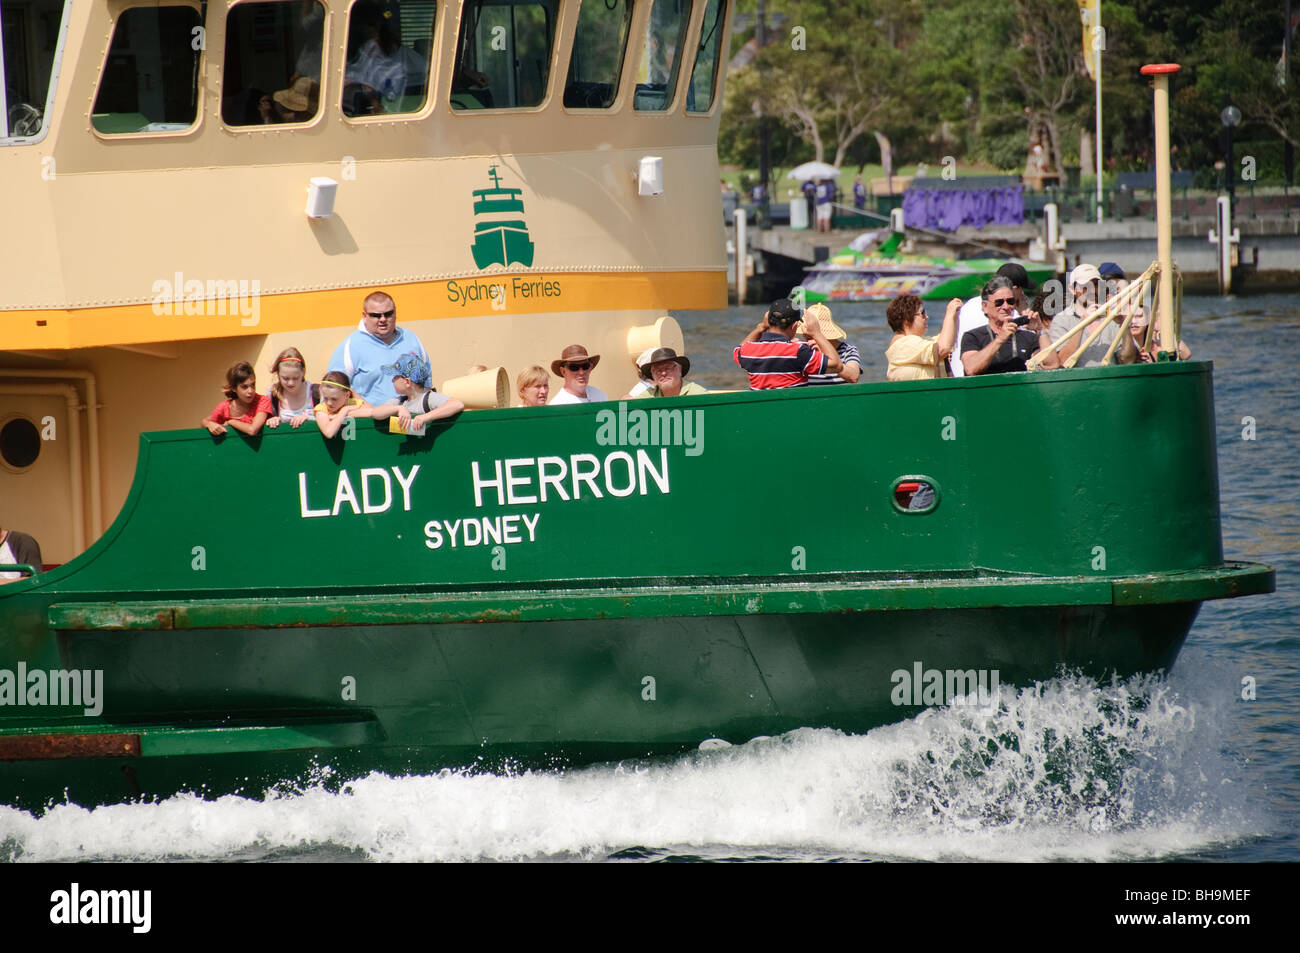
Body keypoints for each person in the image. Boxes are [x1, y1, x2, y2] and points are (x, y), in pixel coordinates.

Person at [329, 291, 430, 405]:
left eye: (388, 314)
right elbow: (333, 390)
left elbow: (426, 381)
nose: (382, 319)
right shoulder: (350, 346)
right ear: (364, 316)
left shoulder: (411, 339)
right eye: (376, 315)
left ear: (395, 313)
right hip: (371, 420)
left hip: (412, 417)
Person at [734, 297, 842, 389]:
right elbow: (836, 365)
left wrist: (760, 328)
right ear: (794, 326)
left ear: (768, 321)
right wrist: (817, 333)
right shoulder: (799, 351)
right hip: (793, 411)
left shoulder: (747, 351)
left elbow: (737, 351)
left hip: (759, 411)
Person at [951, 262, 1035, 378]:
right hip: (981, 373)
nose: (1023, 294)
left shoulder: (969, 304)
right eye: (1022, 290)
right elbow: (1016, 341)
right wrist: (1022, 312)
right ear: (1015, 288)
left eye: (1009, 301)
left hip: (958, 373)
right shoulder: (1005, 313)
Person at [1048, 264, 1137, 367]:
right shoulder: (1061, 320)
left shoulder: (1112, 318)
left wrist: (1124, 325)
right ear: (1072, 289)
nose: (1092, 290)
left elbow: (1128, 361)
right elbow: (1063, 361)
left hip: (1110, 382)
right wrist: (1083, 322)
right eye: (1085, 286)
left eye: (1096, 284)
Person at [371, 353, 463, 435]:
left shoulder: (428, 399)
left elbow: (457, 404)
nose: (392, 380)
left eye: (396, 376)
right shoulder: (400, 401)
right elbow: (375, 413)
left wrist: (426, 417)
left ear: (407, 382)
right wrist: (399, 408)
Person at [885, 295, 961, 381]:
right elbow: (942, 349)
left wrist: (955, 316)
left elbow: (948, 340)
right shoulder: (902, 345)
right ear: (906, 320)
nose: (927, 317)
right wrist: (950, 313)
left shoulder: (919, 342)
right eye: (923, 313)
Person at [202, 361, 272, 436]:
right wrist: (210, 425)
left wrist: (231, 422)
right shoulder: (225, 407)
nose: (250, 391)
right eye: (244, 387)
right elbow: (204, 421)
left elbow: (252, 430)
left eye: (253, 385)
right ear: (233, 388)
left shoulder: (262, 400)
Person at [800, 304, 861, 384]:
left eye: (811, 335)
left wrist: (827, 356)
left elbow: (853, 377)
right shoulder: (801, 349)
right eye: (806, 335)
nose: (808, 339)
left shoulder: (847, 351)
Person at [266, 347, 318, 429]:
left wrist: (309, 418)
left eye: (295, 378)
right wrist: (271, 420)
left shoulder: (316, 392)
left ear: (303, 372)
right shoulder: (272, 395)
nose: (291, 383)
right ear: (278, 375)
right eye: (285, 378)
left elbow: (332, 419)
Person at [314, 371, 374, 438]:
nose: (329, 403)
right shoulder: (321, 408)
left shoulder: (352, 403)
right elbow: (329, 432)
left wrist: (345, 413)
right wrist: (344, 410)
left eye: (334, 399)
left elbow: (373, 411)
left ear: (347, 395)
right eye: (325, 398)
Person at [629, 347, 708, 398]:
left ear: (679, 369)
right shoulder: (648, 395)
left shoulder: (698, 394)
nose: (663, 373)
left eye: (668, 368)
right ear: (653, 375)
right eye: (658, 370)